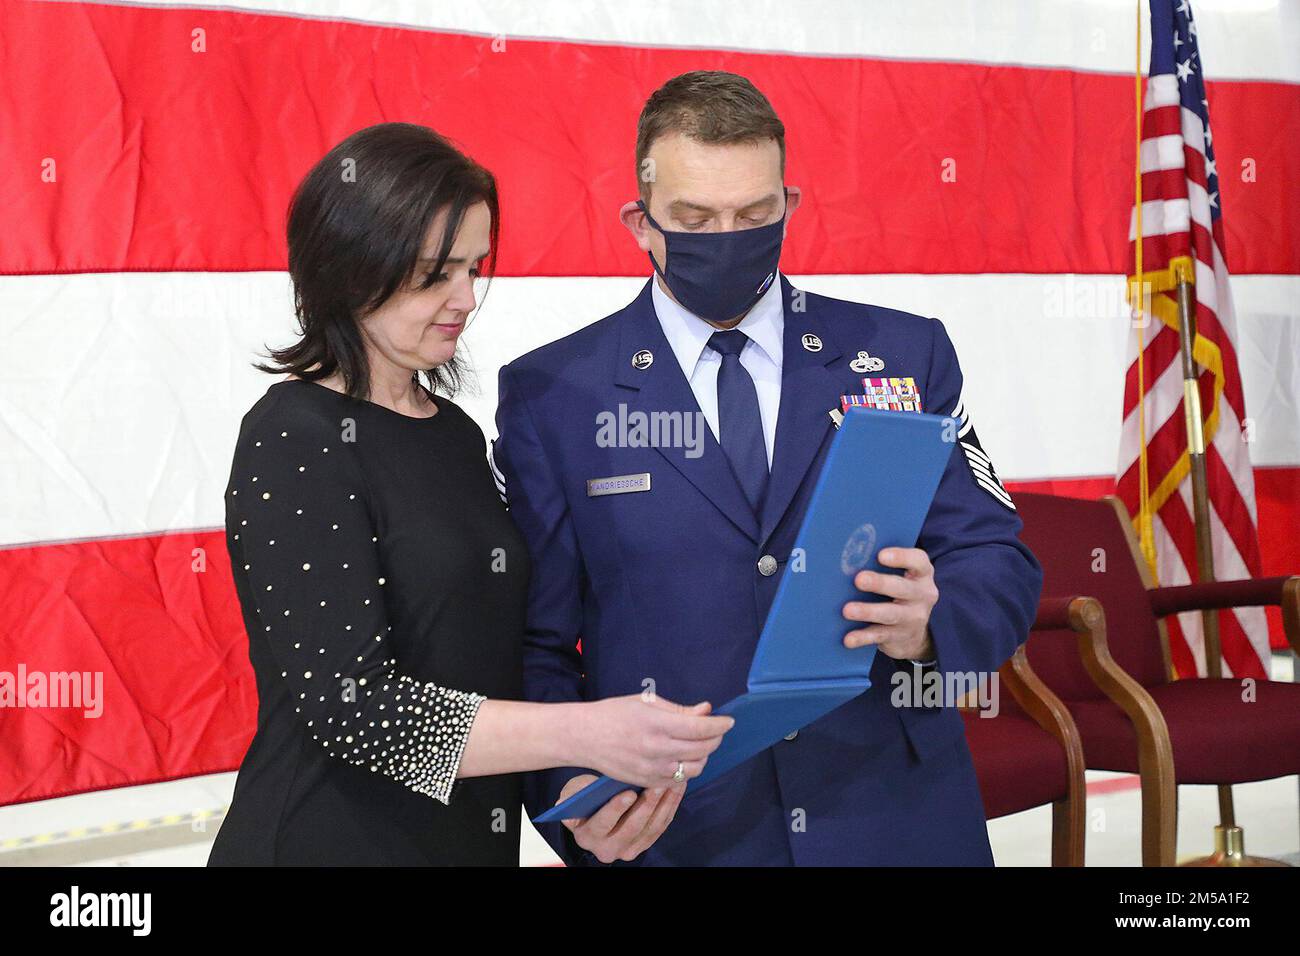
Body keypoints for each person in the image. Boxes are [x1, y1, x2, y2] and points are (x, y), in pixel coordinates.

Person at [493, 72, 1044, 865]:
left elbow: (997, 559)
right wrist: (568, 783)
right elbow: (533, 641)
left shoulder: (903, 354)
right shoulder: (555, 395)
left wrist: (932, 621)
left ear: (791, 205)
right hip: (681, 828)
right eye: (694, 218)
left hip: (893, 813)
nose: (727, 235)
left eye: (753, 214)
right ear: (640, 223)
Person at [207, 122, 732, 866]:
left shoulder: (452, 431)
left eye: (474, 268)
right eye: (434, 274)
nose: (465, 298)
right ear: (350, 268)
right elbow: (356, 712)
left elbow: (488, 659)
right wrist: (584, 732)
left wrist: (578, 789)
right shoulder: (294, 436)